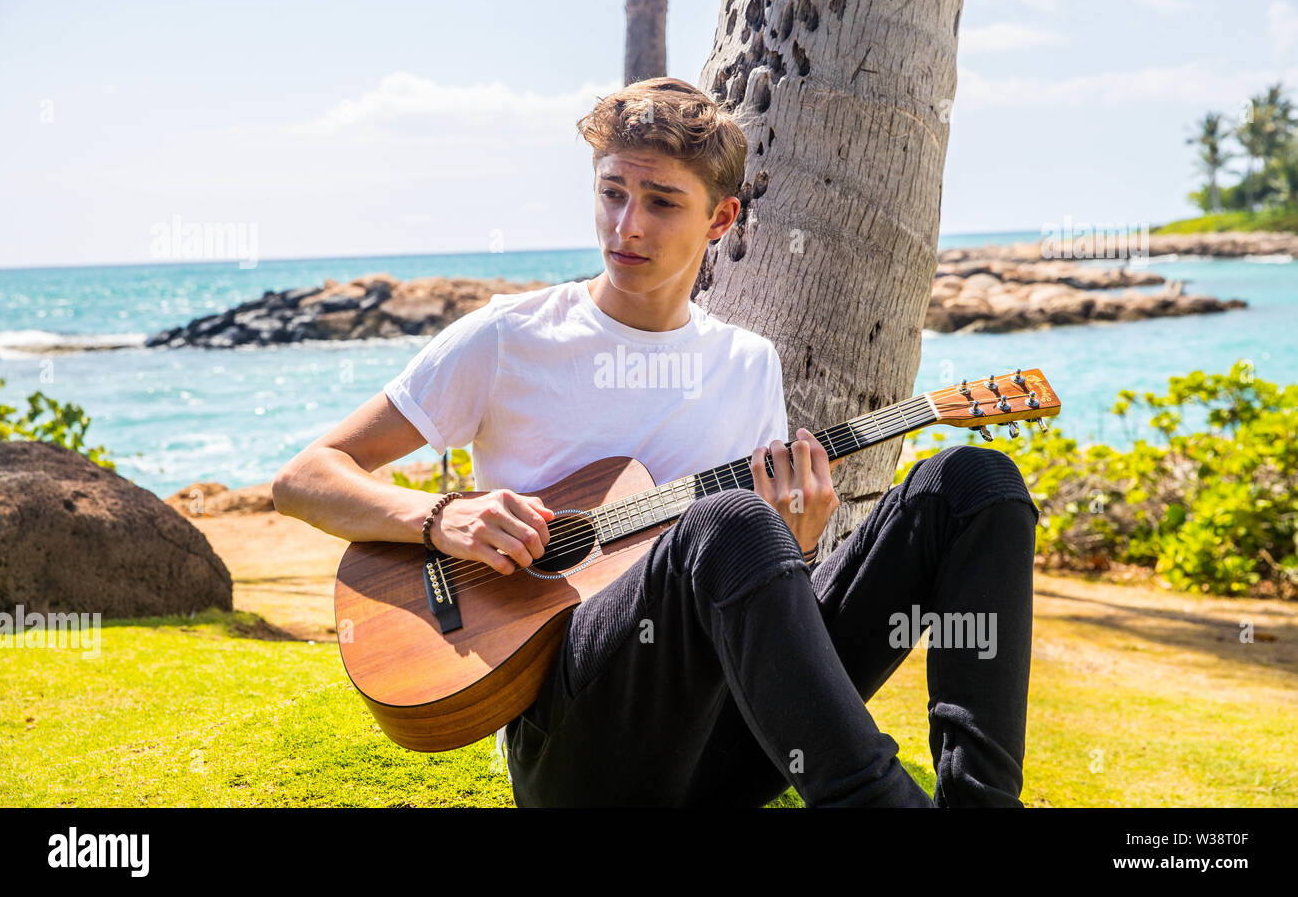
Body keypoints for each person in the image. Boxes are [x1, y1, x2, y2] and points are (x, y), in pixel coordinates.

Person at [272, 77, 1040, 808]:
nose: (625, 225)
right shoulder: (509, 338)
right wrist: (440, 517)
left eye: (661, 202)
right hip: (579, 754)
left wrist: (796, 549)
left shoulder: (747, 362)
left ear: (721, 219)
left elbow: (748, 597)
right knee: (729, 520)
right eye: (612, 193)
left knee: (973, 482)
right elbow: (308, 476)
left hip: (732, 744)